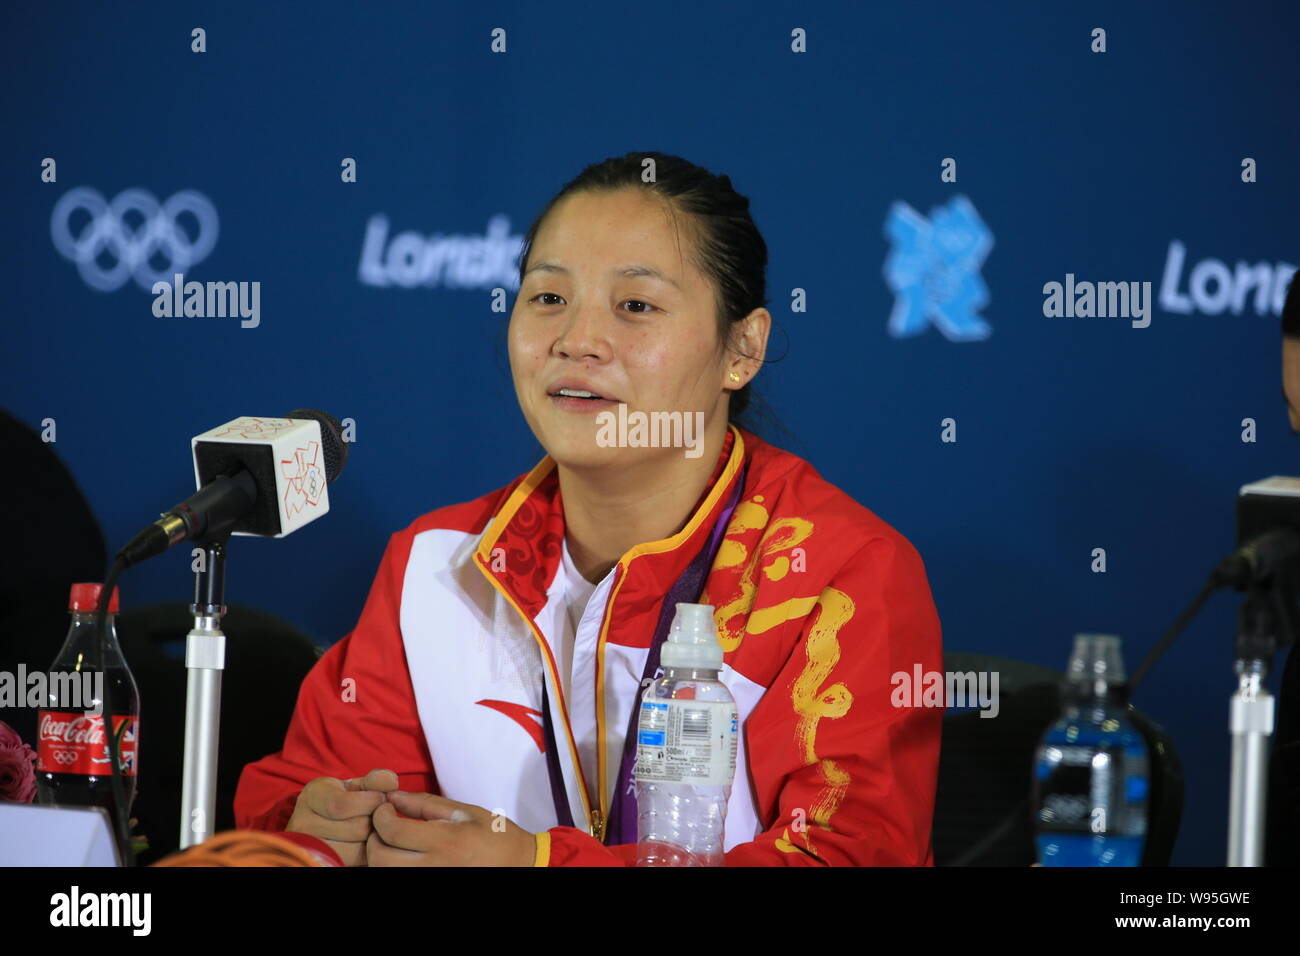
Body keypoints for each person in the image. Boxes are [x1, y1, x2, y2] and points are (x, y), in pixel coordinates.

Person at [233, 151, 944, 866]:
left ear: (743, 347)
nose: (576, 340)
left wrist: (537, 864)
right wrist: (310, 825)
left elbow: (847, 857)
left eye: (635, 306)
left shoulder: (839, 574)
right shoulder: (435, 562)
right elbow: (303, 798)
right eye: (548, 298)